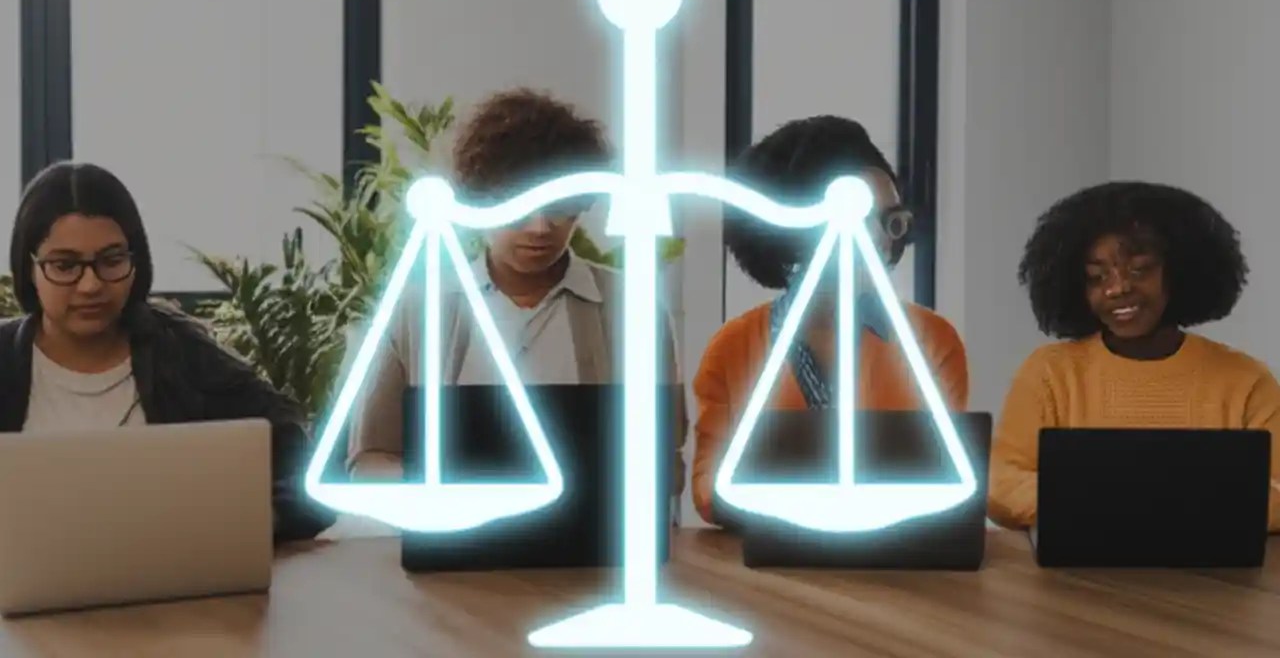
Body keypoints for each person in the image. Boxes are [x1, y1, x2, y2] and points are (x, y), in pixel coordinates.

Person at [346, 88, 687, 497]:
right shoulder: (420, 309)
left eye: (560, 207)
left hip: (590, 552)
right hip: (453, 547)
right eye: (519, 208)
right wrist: (442, 496)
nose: (540, 228)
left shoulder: (632, 310)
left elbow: (666, 467)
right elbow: (369, 460)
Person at [0, 161, 334, 543]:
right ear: (29, 269)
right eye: (65, 265)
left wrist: (257, 519)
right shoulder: (5, 362)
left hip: (172, 594)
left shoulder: (182, 354)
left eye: (111, 261)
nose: (91, 285)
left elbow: (311, 467)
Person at [691, 115, 969, 527]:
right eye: (857, 218)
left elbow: (943, 483)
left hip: (899, 567)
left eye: (890, 222)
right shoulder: (733, 347)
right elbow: (709, 493)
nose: (879, 239)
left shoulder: (932, 341)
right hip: (772, 567)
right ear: (791, 228)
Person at [989, 181, 1280, 531]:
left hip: (1216, 581)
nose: (1117, 288)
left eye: (1139, 270)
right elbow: (1000, 484)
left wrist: (1132, 504)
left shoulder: (1246, 381)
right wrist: (1132, 505)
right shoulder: (1050, 373)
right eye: (1097, 277)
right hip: (1075, 580)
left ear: (1178, 272)